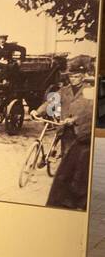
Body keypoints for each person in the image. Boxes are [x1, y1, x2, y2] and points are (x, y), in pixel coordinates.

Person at [47, 73, 94, 209]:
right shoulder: (64, 90)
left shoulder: (88, 91)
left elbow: (90, 111)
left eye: (77, 76)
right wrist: (37, 111)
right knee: (67, 158)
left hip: (80, 131)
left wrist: (75, 119)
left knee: (78, 162)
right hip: (66, 130)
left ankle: (73, 193)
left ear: (83, 77)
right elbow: (51, 102)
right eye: (71, 76)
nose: (73, 79)